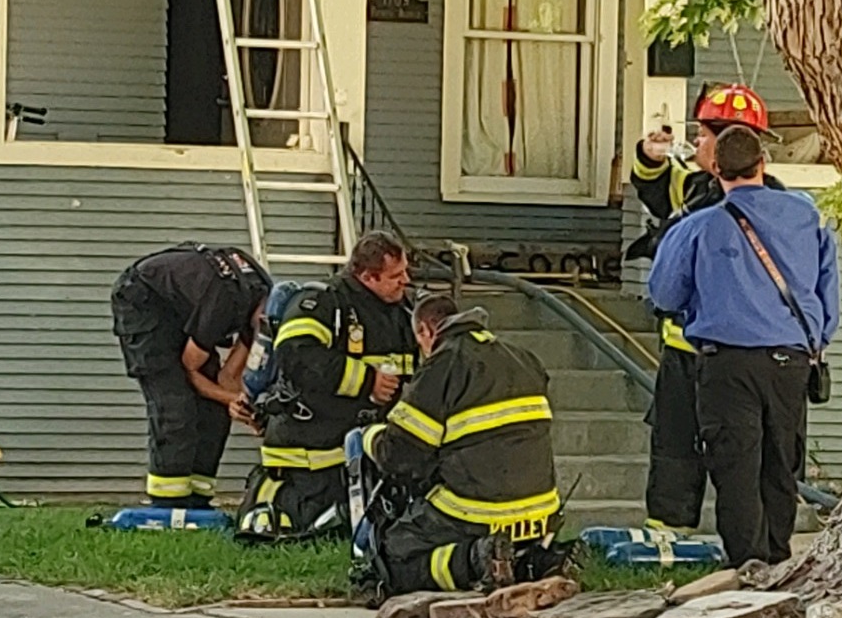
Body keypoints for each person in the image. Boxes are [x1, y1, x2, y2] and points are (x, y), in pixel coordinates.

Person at [647, 124, 839, 566]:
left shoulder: (699, 225)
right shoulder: (807, 215)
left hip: (725, 363)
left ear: (716, 170)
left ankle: (748, 566)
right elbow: (828, 288)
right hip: (792, 361)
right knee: (781, 465)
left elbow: (664, 295)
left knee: (736, 468)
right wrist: (817, 338)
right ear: (763, 165)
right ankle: (777, 556)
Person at [629, 84, 785, 532]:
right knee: (674, 449)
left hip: (731, 355)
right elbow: (657, 189)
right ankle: (668, 542)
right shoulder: (695, 186)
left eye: (702, 135)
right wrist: (650, 156)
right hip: (686, 352)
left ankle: (751, 549)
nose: (695, 143)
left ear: (726, 145)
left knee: (740, 456)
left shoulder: (768, 204)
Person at [359, 293, 561, 598]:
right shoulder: (522, 356)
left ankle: (478, 559)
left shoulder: (444, 363)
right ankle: (539, 562)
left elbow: (400, 456)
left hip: (480, 511)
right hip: (542, 509)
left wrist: (370, 437)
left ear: (425, 332)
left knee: (394, 556)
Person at [237, 232, 418, 539]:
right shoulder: (323, 302)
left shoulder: (400, 313)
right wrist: (366, 381)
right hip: (311, 453)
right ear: (366, 276)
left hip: (363, 449)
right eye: (395, 275)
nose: (406, 281)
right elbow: (297, 355)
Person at [110, 243, 271, 507]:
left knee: (214, 412)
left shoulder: (261, 308)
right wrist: (232, 399)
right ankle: (167, 504)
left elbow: (226, 380)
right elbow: (191, 370)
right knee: (175, 403)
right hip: (142, 300)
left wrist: (246, 407)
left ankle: (198, 501)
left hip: (183, 308)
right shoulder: (224, 303)